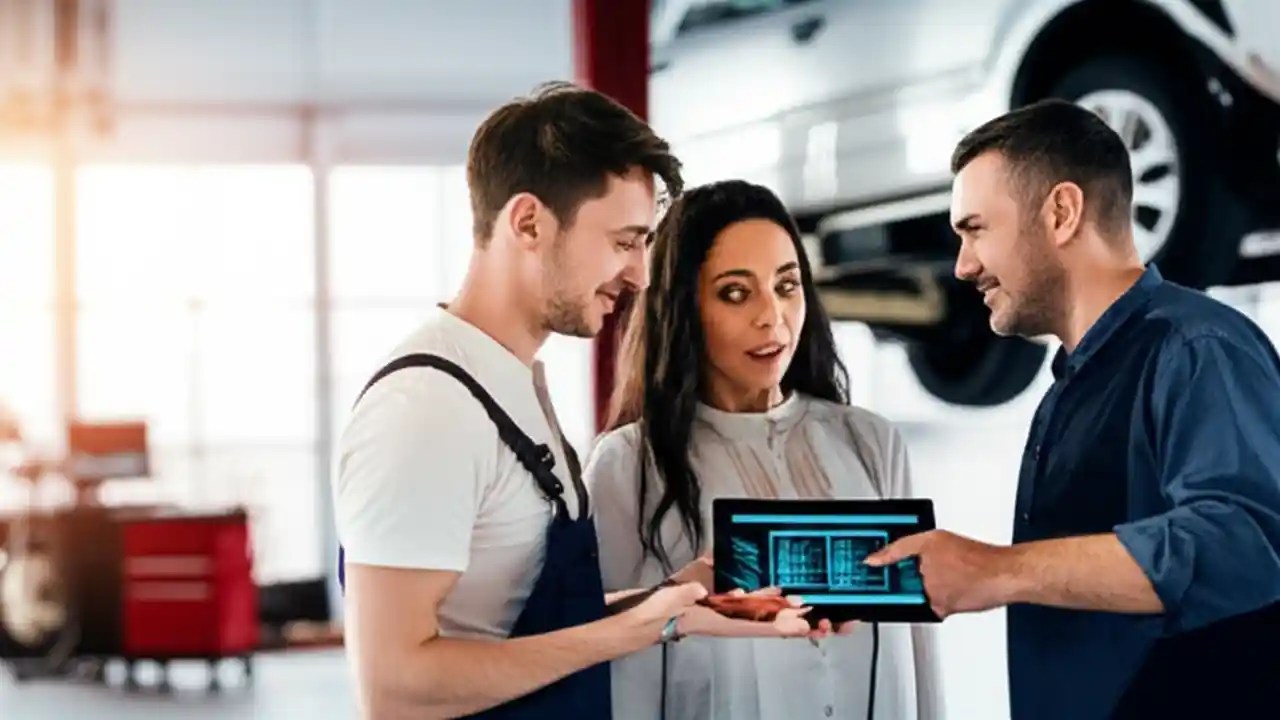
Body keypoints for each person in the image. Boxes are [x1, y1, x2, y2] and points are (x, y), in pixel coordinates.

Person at [332, 83, 812, 720]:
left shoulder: (510, 383)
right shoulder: (426, 410)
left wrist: (680, 600)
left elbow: (506, 630)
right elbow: (394, 688)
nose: (641, 274)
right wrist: (634, 631)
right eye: (624, 242)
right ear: (528, 222)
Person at [865, 99, 1280, 719]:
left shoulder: (1195, 346)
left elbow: (1246, 543)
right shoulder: (1074, 385)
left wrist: (996, 571)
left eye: (975, 229)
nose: (963, 265)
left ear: (1061, 212)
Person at [586, 180, 945, 720]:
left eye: (787, 285)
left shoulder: (870, 443)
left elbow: (916, 652)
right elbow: (612, 664)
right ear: (684, 307)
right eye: (735, 292)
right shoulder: (629, 463)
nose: (771, 317)